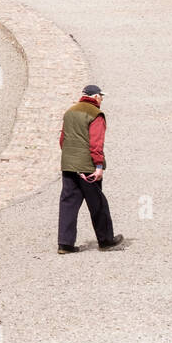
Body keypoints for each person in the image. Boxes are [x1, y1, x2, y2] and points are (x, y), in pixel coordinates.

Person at [57, 85, 124, 254]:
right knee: (98, 203)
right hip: (88, 167)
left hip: (68, 165)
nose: (102, 99)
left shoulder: (70, 112)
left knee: (68, 204)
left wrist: (70, 159)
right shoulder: (96, 114)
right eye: (101, 96)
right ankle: (106, 240)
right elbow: (96, 143)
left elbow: (62, 140)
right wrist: (99, 166)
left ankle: (65, 244)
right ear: (95, 97)